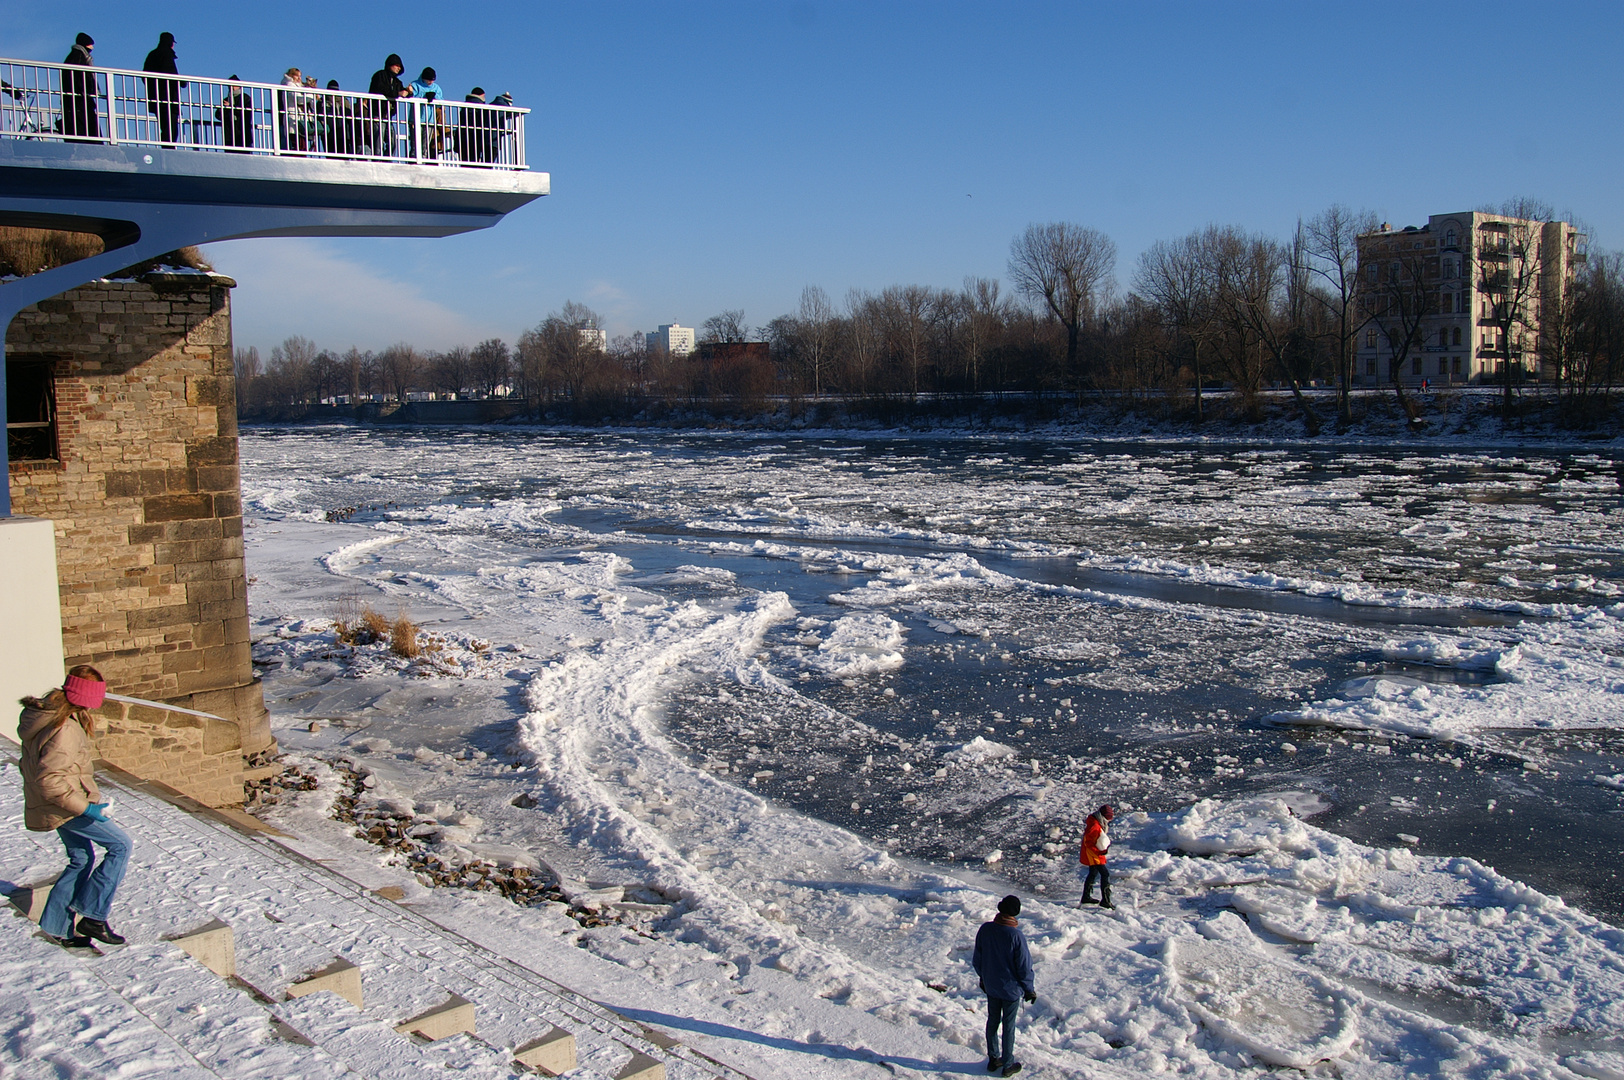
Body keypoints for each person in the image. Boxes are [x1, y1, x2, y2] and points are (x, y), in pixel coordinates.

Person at [18, 666, 131, 949]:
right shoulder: (65, 728)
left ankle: (57, 928)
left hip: (52, 804)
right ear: (87, 697)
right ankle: (93, 916)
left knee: (81, 860)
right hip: (65, 806)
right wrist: (88, 809)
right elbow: (50, 781)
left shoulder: (50, 716)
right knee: (121, 846)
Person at [972, 895, 1034, 1077]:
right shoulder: (1016, 935)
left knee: (992, 1021)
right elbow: (1024, 966)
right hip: (1011, 990)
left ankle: (993, 1059)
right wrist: (1029, 988)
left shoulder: (985, 929)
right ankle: (1007, 1064)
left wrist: (983, 978)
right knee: (1008, 1026)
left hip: (991, 986)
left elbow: (978, 959)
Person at [141, 32, 186, 146]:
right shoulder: (167, 55)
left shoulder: (152, 55)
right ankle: (168, 150)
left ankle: (166, 147)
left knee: (165, 126)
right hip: (168, 98)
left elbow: (144, 76)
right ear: (171, 43)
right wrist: (181, 82)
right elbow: (170, 73)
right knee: (171, 128)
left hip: (156, 98)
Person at [364, 54, 408, 157]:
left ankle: (387, 159)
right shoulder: (379, 76)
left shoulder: (397, 82)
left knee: (392, 142)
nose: (398, 68)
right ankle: (378, 161)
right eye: (396, 65)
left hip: (388, 116)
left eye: (400, 66)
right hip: (377, 114)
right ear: (390, 65)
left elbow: (402, 92)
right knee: (378, 143)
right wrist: (397, 93)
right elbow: (382, 89)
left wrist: (408, 92)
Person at [59, 33, 100, 141]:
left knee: (82, 129)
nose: (92, 48)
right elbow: (80, 78)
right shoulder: (79, 56)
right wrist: (87, 91)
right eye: (90, 45)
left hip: (77, 100)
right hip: (79, 100)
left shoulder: (76, 55)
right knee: (87, 131)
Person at [1079, 803, 1115, 909]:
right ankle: (1106, 901)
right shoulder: (1095, 826)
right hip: (1093, 854)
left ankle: (1086, 897)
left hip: (1093, 853)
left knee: (1093, 872)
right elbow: (1088, 842)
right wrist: (1099, 852)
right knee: (1105, 874)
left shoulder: (1097, 822)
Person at [407, 67, 444, 160]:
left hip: (429, 120)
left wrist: (434, 97)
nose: (431, 82)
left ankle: (423, 160)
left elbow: (441, 101)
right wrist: (423, 96)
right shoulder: (415, 85)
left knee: (425, 145)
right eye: (429, 80)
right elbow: (411, 97)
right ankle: (413, 160)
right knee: (415, 144)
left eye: (432, 80)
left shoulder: (436, 88)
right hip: (415, 119)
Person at [457, 86, 495, 164]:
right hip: (476, 138)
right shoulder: (480, 107)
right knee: (473, 161)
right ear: (482, 95)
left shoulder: (465, 106)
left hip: (463, 138)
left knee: (465, 162)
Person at [216, 75, 253, 152]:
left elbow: (247, 113)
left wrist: (231, 106)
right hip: (229, 135)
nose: (232, 87)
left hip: (242, 134)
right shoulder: (226, 99)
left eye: (234, 85)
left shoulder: (245, 98)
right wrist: (222, 109)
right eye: (230, 85)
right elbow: (218, 116)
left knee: (244, 157)